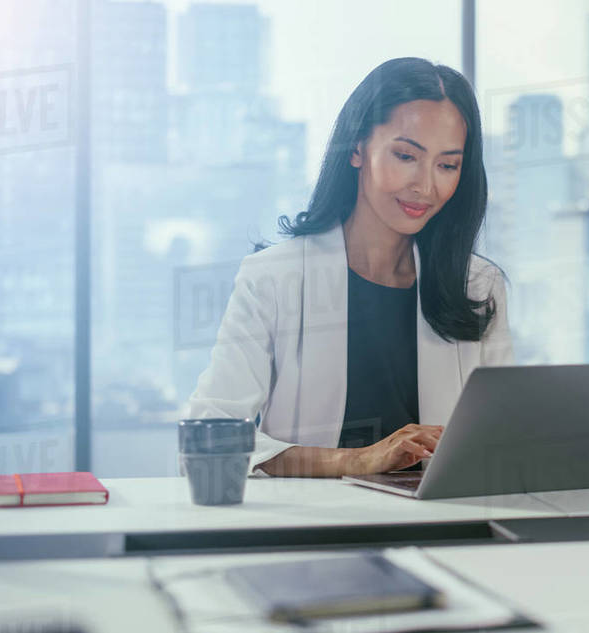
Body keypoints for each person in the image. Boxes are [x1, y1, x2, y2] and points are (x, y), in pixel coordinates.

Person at [184, 57, 513, 477]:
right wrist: (356, 461)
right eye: (406, 155)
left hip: (443, 527)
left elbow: (502, 438)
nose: (426, 186)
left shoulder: (478, 286)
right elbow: (208, 439)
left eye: (447, 165)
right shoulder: (274, 278)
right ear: (357, 148)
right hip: (312, 530)